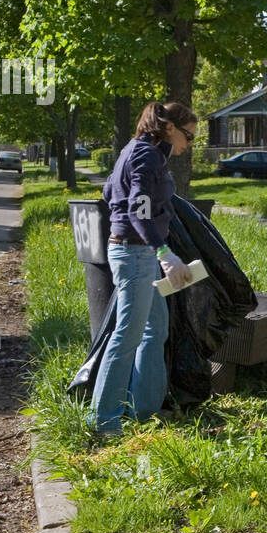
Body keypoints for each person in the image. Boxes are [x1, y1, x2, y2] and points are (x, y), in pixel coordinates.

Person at [89, 101, 198, 435]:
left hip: (137, 253)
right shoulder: (147, 155)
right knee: (128, 336)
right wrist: (165, 253)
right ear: (169, 128)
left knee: (155, 330)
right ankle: (103, 422)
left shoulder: (134, 151)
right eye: (189, 136)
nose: (190, 144)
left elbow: (110, 194)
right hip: (134, 254)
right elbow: (139, 210)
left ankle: (143, 411)